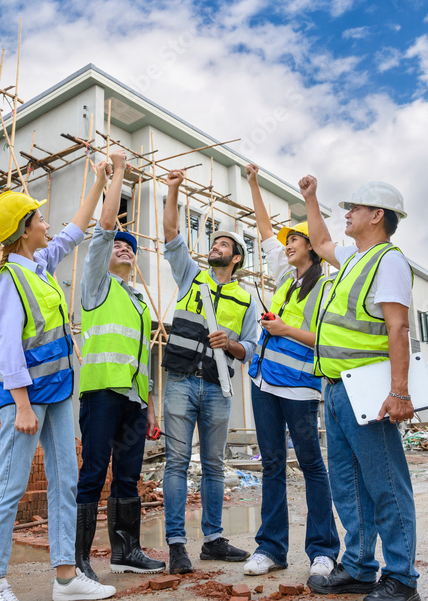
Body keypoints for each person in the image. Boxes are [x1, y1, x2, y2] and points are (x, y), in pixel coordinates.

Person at [0, 159, 116, 601]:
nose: (46, 222)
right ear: (24, 230)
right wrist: (20, 405)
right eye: (39, 217)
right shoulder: (9, 280)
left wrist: (100, 181)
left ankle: (65, 579)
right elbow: (8, 348)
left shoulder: (39, 263)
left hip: (58, 389)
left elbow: (76, 230)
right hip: (26, 397)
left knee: (66, 481)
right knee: (11, 484)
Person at [300, 176, 422, 601]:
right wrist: (310, 199)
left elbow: (398, 327)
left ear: (377, 215)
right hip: (335, 389)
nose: (347, 213)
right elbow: (319, 241)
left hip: (367, 391)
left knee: (385, 483)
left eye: (355, 207)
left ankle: (402, 578)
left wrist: (400, 392)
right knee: (348, 487)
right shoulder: (355, 257)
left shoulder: (387, 260)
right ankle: (358, 567)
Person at [242, 164, 340, 578]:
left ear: (313, 247)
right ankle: (271, 549)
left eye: (296, 239)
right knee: (271, 465)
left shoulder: (326, 285)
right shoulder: (285, 276)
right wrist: (252, 184)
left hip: (299, 389)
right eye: (289, 241)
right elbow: (265, 229)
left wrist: (285, 330)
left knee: (312, 465)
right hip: (263, 384)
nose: (288, 245)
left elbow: (326, 340)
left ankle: (323, 550)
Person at [160, 168, 259, 574]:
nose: (215, 246)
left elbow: (250, 347)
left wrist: (230, 345)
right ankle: (177, 545)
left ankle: (214, 540)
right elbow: (170, 232)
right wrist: (172, 189)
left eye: (223, 244)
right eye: (214, 241)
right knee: (177, 462)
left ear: (235, 257)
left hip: (219, 388)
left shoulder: (245, 298)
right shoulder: (190, 276)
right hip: (181, 382)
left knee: (215, 466)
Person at [76, 149, 165, 580]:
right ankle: (78, 561)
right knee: (93, 473)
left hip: (132, 401)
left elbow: (146, 359)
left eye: (131, 248)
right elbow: (106, 224)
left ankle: (125, 552)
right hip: (101, 393)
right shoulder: (96, 283)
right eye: (117, 246)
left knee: (128, 477)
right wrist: (120, 174)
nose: (124, 249)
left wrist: (150, 406)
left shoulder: (138, 301)